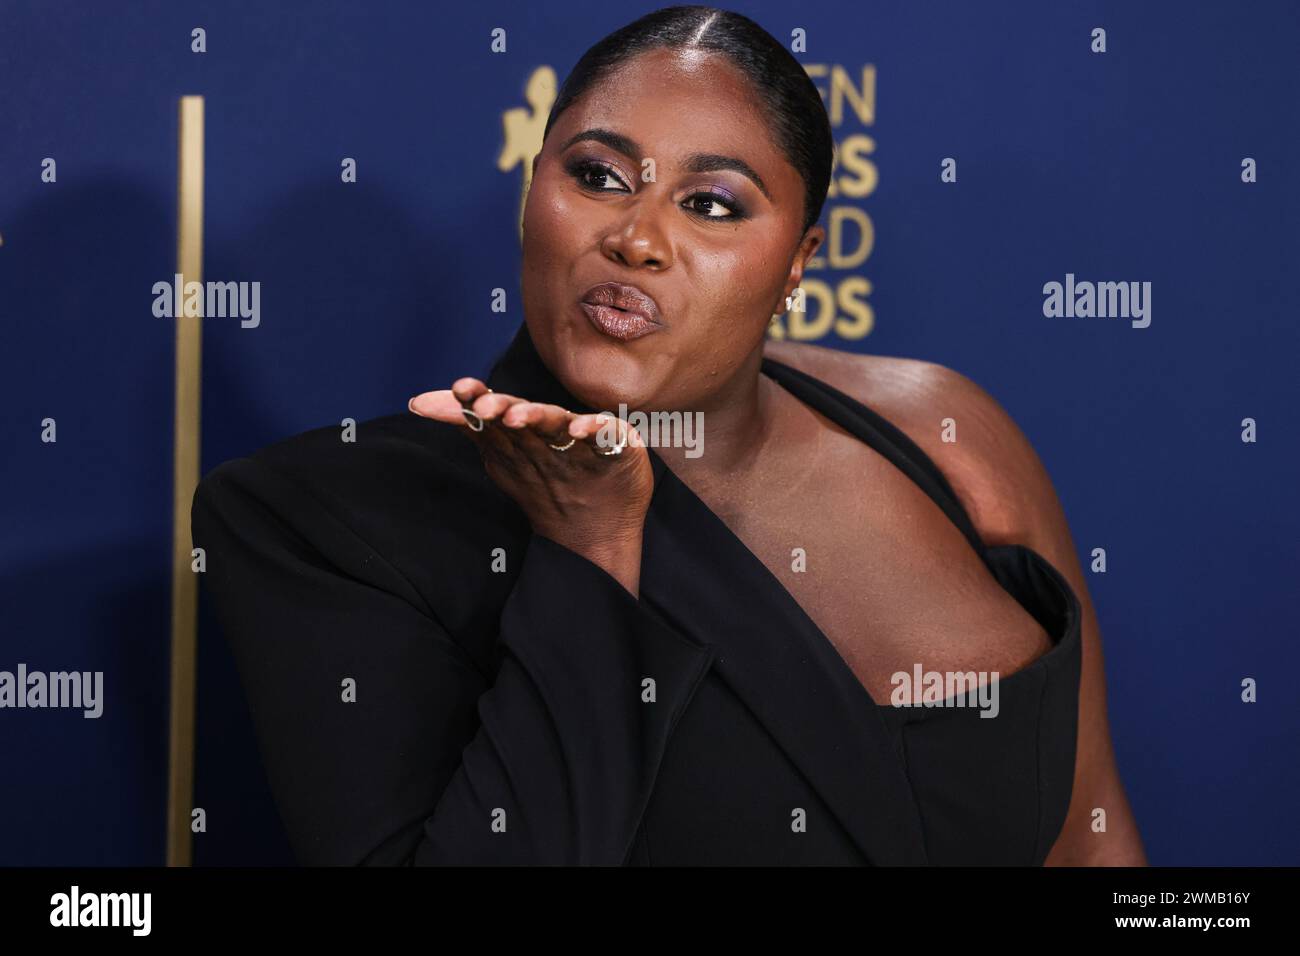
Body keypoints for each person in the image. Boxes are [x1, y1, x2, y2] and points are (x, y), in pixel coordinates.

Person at [192, 5, 1145, 865]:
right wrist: (592, 551)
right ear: (534, 190)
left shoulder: (945, 431)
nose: (638, 238)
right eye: (599, 176)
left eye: (712, 204)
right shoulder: (321, 517)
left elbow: (1093, 839)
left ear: (801, 259)